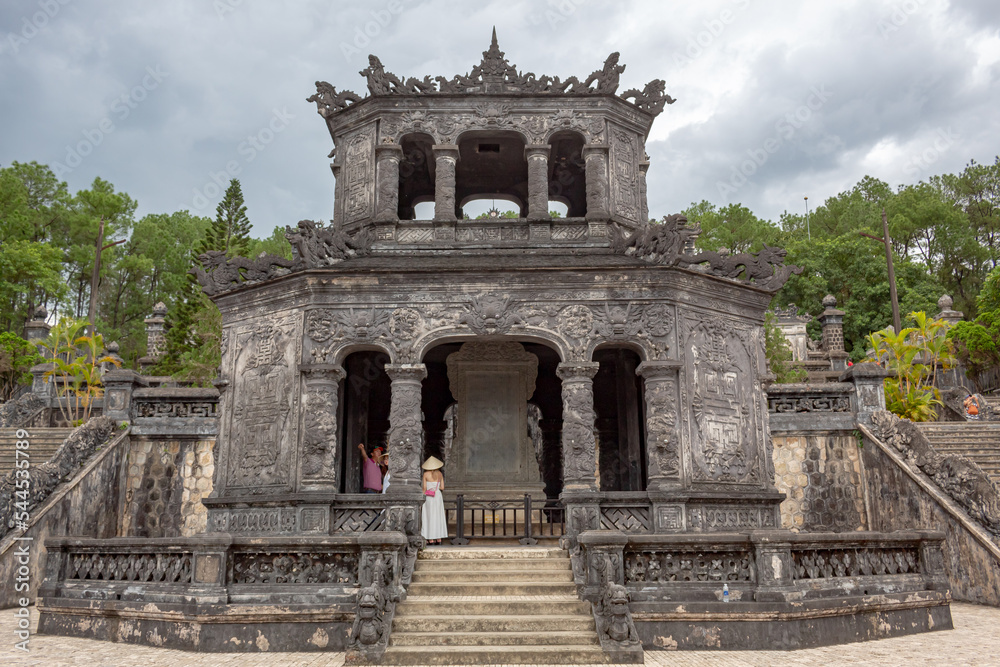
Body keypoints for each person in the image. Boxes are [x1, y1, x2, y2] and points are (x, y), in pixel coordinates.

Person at [420, 456, 448, 545]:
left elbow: (424, 488)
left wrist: (424, 494)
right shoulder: (440, 474)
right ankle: (438, 538)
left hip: (429, 496)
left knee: (429, 516)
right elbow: (442, 487)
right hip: (438, 495)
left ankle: (431, 538)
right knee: (438, 516)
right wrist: (436, 487)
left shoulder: (426, 474)